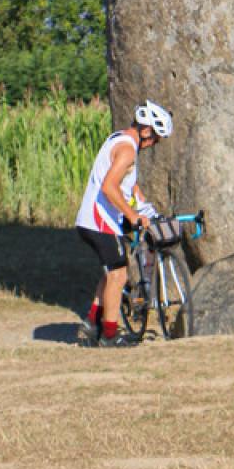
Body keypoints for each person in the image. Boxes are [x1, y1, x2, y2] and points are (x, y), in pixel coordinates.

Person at [76, 99, 173, 346]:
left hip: (92, 220)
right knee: (119, 275)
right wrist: (132, 216)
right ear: (146, 130)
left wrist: (146, 209)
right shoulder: (128, 150)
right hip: (99, 221)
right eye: (155, 138)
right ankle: (109, 335)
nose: (154, 144)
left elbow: (128, 183)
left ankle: (91, 324)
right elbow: (109, 187)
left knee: (112, 271)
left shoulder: (119, 139)